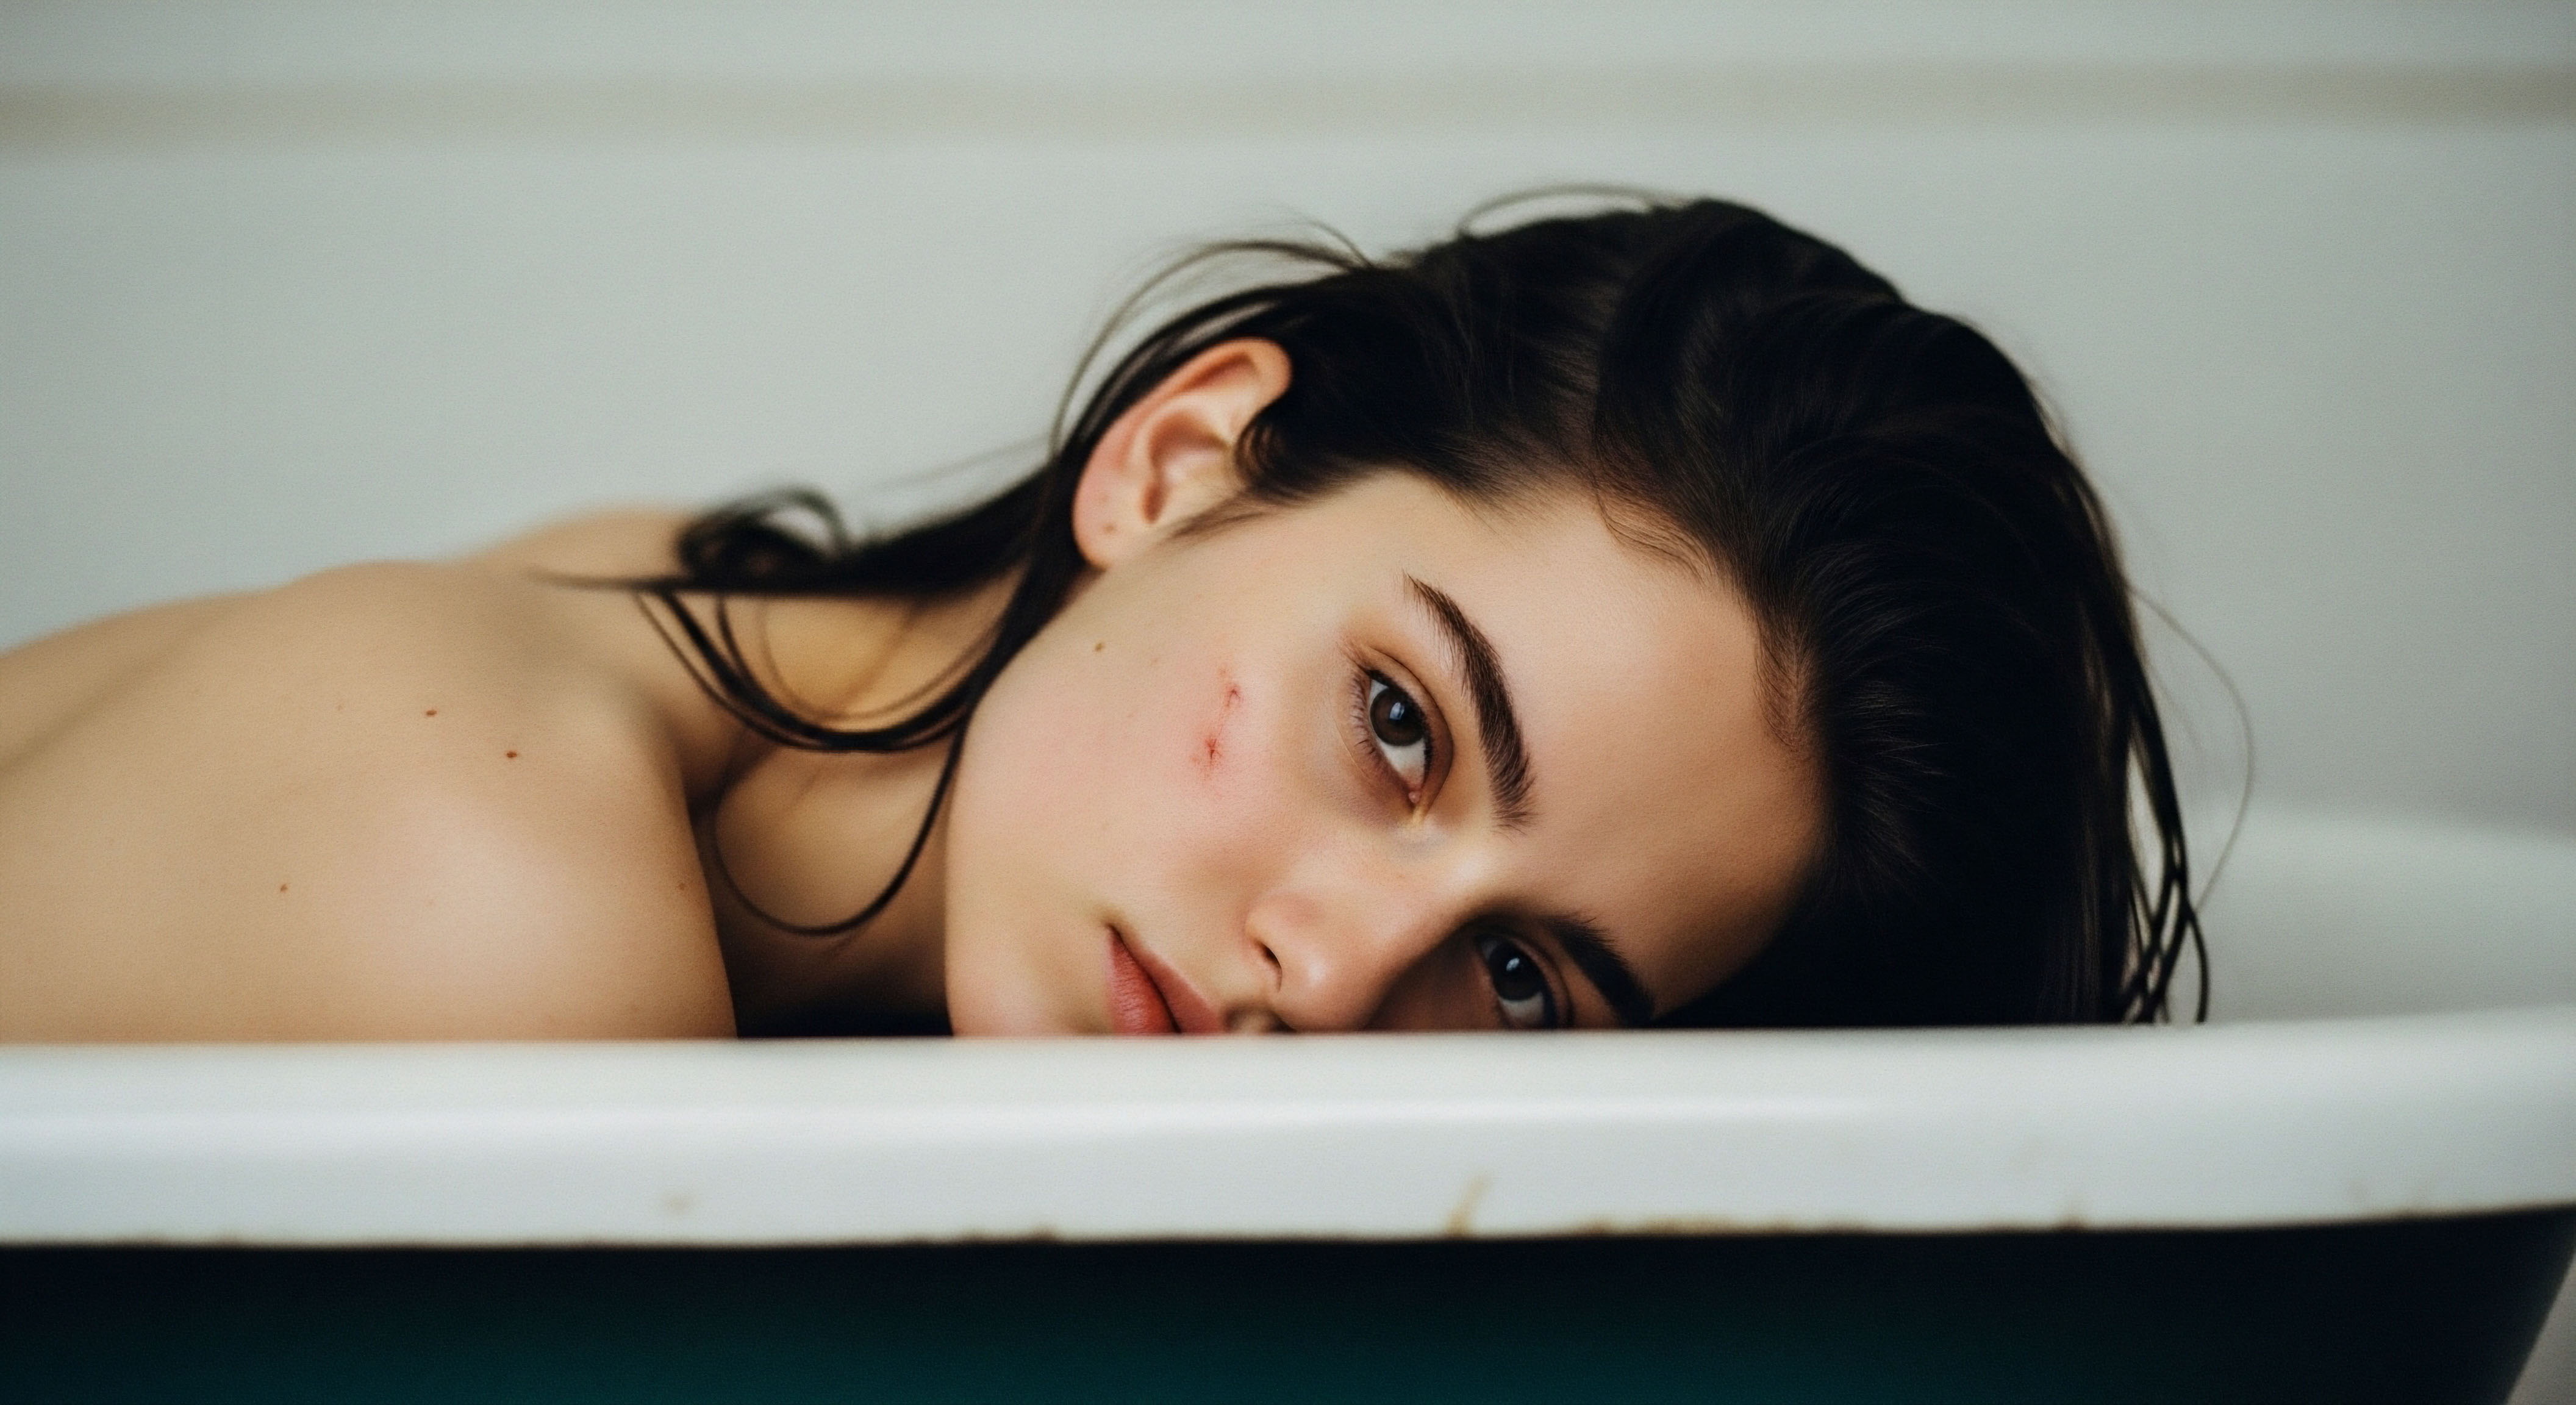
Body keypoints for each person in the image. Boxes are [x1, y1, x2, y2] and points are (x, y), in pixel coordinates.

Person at [0, 194, 2202, 1042]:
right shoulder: (498, 906)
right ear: (1174, 463)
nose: (1333, 978)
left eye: (1525, 981)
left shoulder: (714, 613)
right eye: (1405, 727)